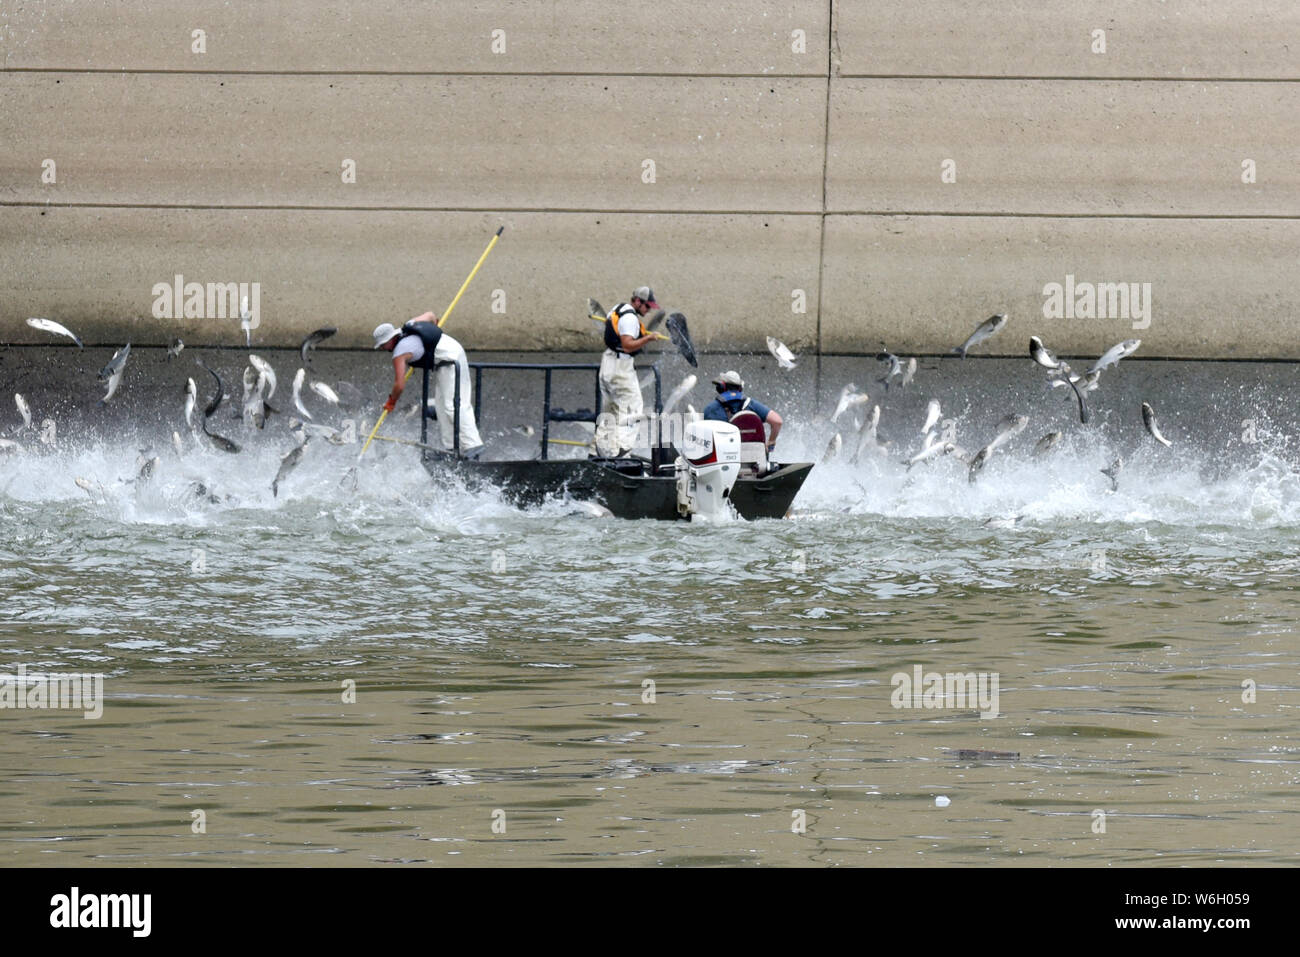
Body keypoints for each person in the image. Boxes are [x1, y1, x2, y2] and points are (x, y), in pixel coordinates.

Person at [373, 312, 484, 458]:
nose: (383, 348)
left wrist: (391, 402)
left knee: (453, 406)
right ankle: (450, 449)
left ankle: (474, 445)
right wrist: (434, 330)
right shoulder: (410, 324)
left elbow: (399, 385)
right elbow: (431, 315)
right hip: (443, 363)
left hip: (452, 359)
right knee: (441, 407)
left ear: (389, 340)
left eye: (382, 345)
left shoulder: (400, 353)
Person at [595, 285, 659, 457]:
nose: (648, 311)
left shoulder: (617, 309)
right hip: (620, 368)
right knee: (633, 408)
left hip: (607, 365)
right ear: (638, 301)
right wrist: (648, 338)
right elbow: (627, 345)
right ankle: (623, 451)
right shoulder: (630, 318)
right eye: (647, 306)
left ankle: (598, 452)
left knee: (611, 412)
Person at [702, 370, 782, 456]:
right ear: (740, 388)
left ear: (722, 387)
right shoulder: (751, 405)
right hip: (755, 460)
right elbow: (777, 421)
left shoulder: (710, 409)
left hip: (725, 460)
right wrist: (771, 441)